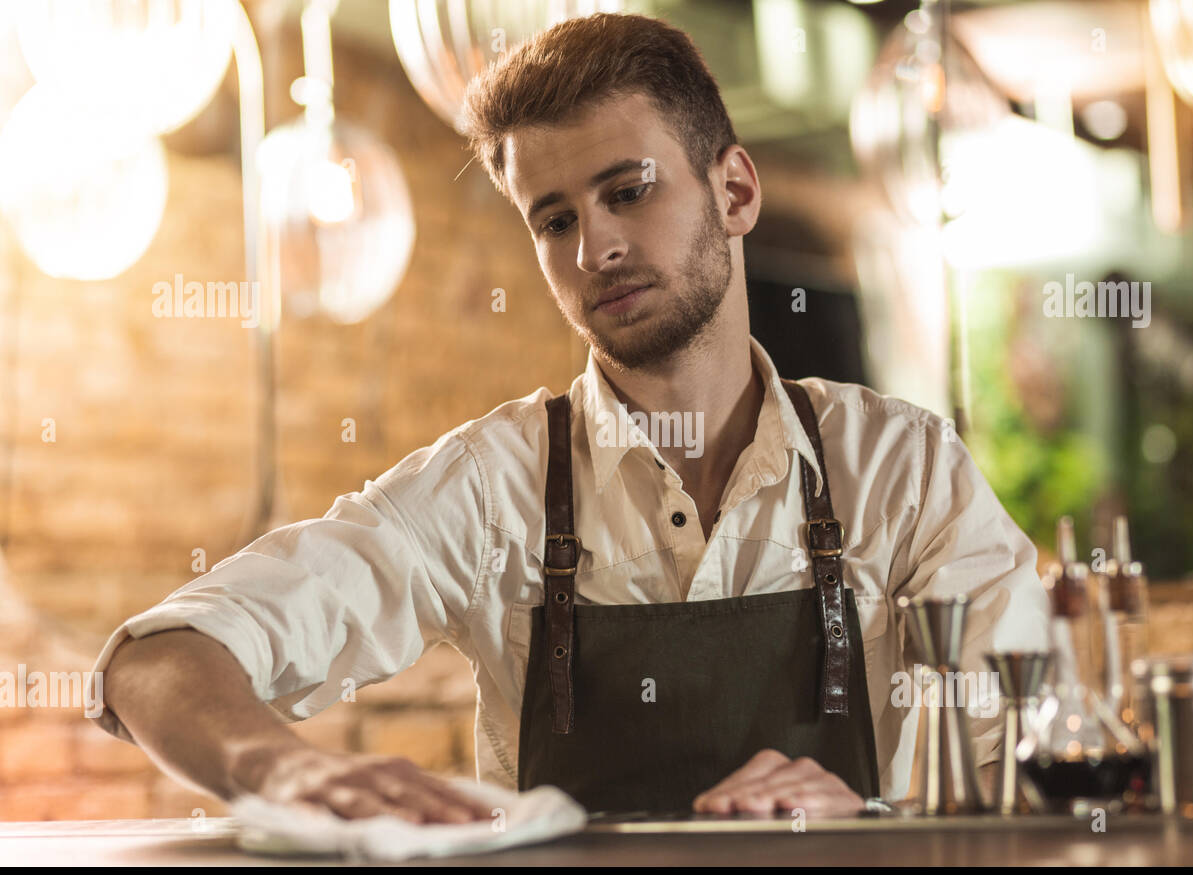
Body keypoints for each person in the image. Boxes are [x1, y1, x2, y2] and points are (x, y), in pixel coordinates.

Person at [94, 12, 1049, 822]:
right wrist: (287, 768)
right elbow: (159, 661)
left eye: (627, 192)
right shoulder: (490, 489)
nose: (594, 247)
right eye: (554, 220)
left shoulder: (901, 469)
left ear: (736, 191)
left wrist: (874, 811)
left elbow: (1037, 747)